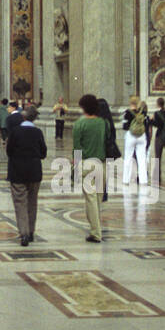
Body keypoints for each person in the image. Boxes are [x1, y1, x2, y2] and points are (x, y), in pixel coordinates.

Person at [6, 103, 47, 245]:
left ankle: (23, 233)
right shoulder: (38, 132)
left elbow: (9, 151)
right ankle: (31, 232)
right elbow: (43, 153)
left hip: (17, 171)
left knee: (20, 203)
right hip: (34, 171)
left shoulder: (15, 132)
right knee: (32, 202)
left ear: (23, 117)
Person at [72, 94, 107, 242]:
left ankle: (96, 232)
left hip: (86, 163)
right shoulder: (103, 123)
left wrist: (76, 168)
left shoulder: (79, 124)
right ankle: (95, 229)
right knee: (97, 199)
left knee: (91, 199)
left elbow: (77, 148)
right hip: (102, 163)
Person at [121, 96, 149, 186]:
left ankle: (126, 180)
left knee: (128, 158)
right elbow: (146, 125)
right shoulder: (143, 112)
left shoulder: (127, 112)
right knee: (142, 159)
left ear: (130, 102)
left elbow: (124, 127)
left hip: (131, 135)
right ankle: (143, 180)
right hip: (142, 136)